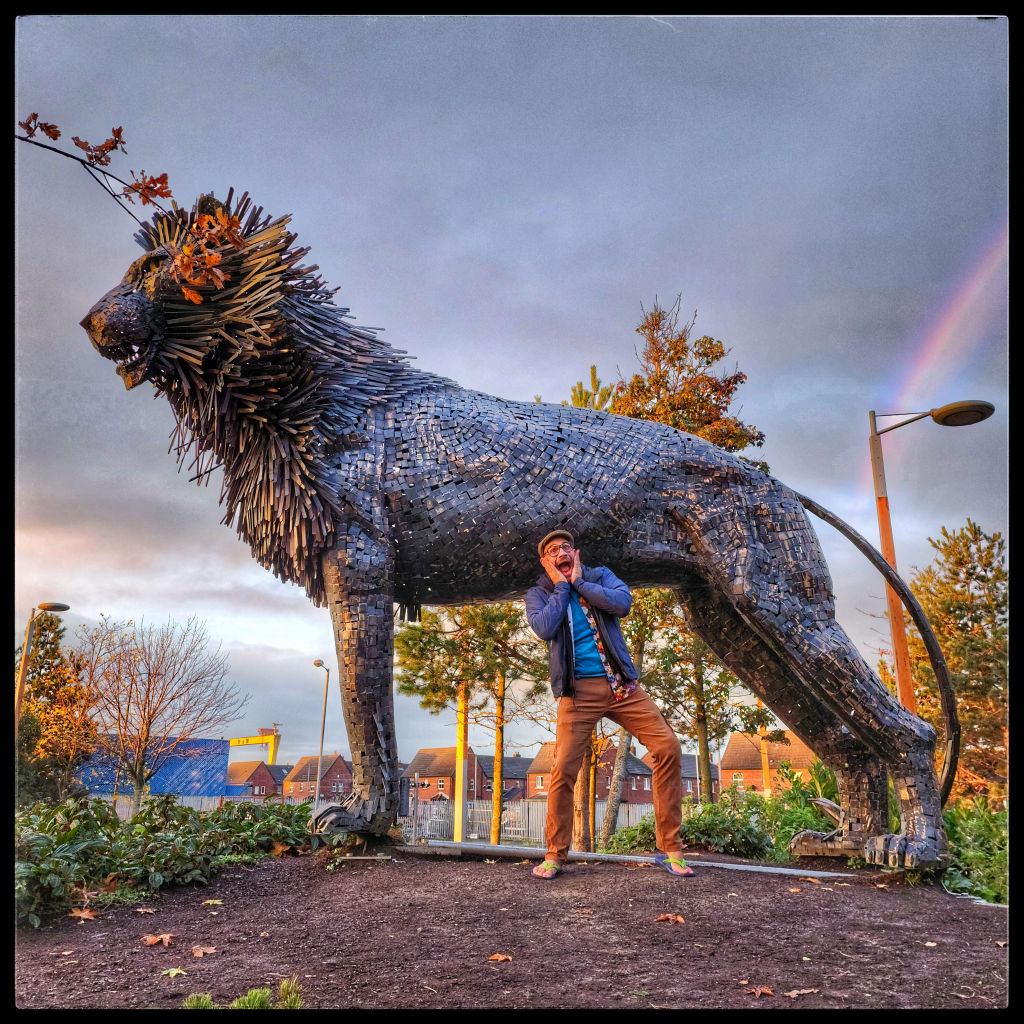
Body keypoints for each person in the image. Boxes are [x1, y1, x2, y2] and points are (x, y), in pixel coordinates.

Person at [524, 528, 693, 879]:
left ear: (577, 553)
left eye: (566, 547)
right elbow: (544, 627)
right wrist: (561, 587)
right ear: (546, 562)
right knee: (563, 771)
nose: (561, 553)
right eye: (552, 551)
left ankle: (670, 849)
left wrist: (581, 583)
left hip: (621, 686)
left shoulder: (601, 577)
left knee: (667, 747)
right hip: (578, 694)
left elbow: (622, 603)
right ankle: (555, 854)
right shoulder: (539, 593)